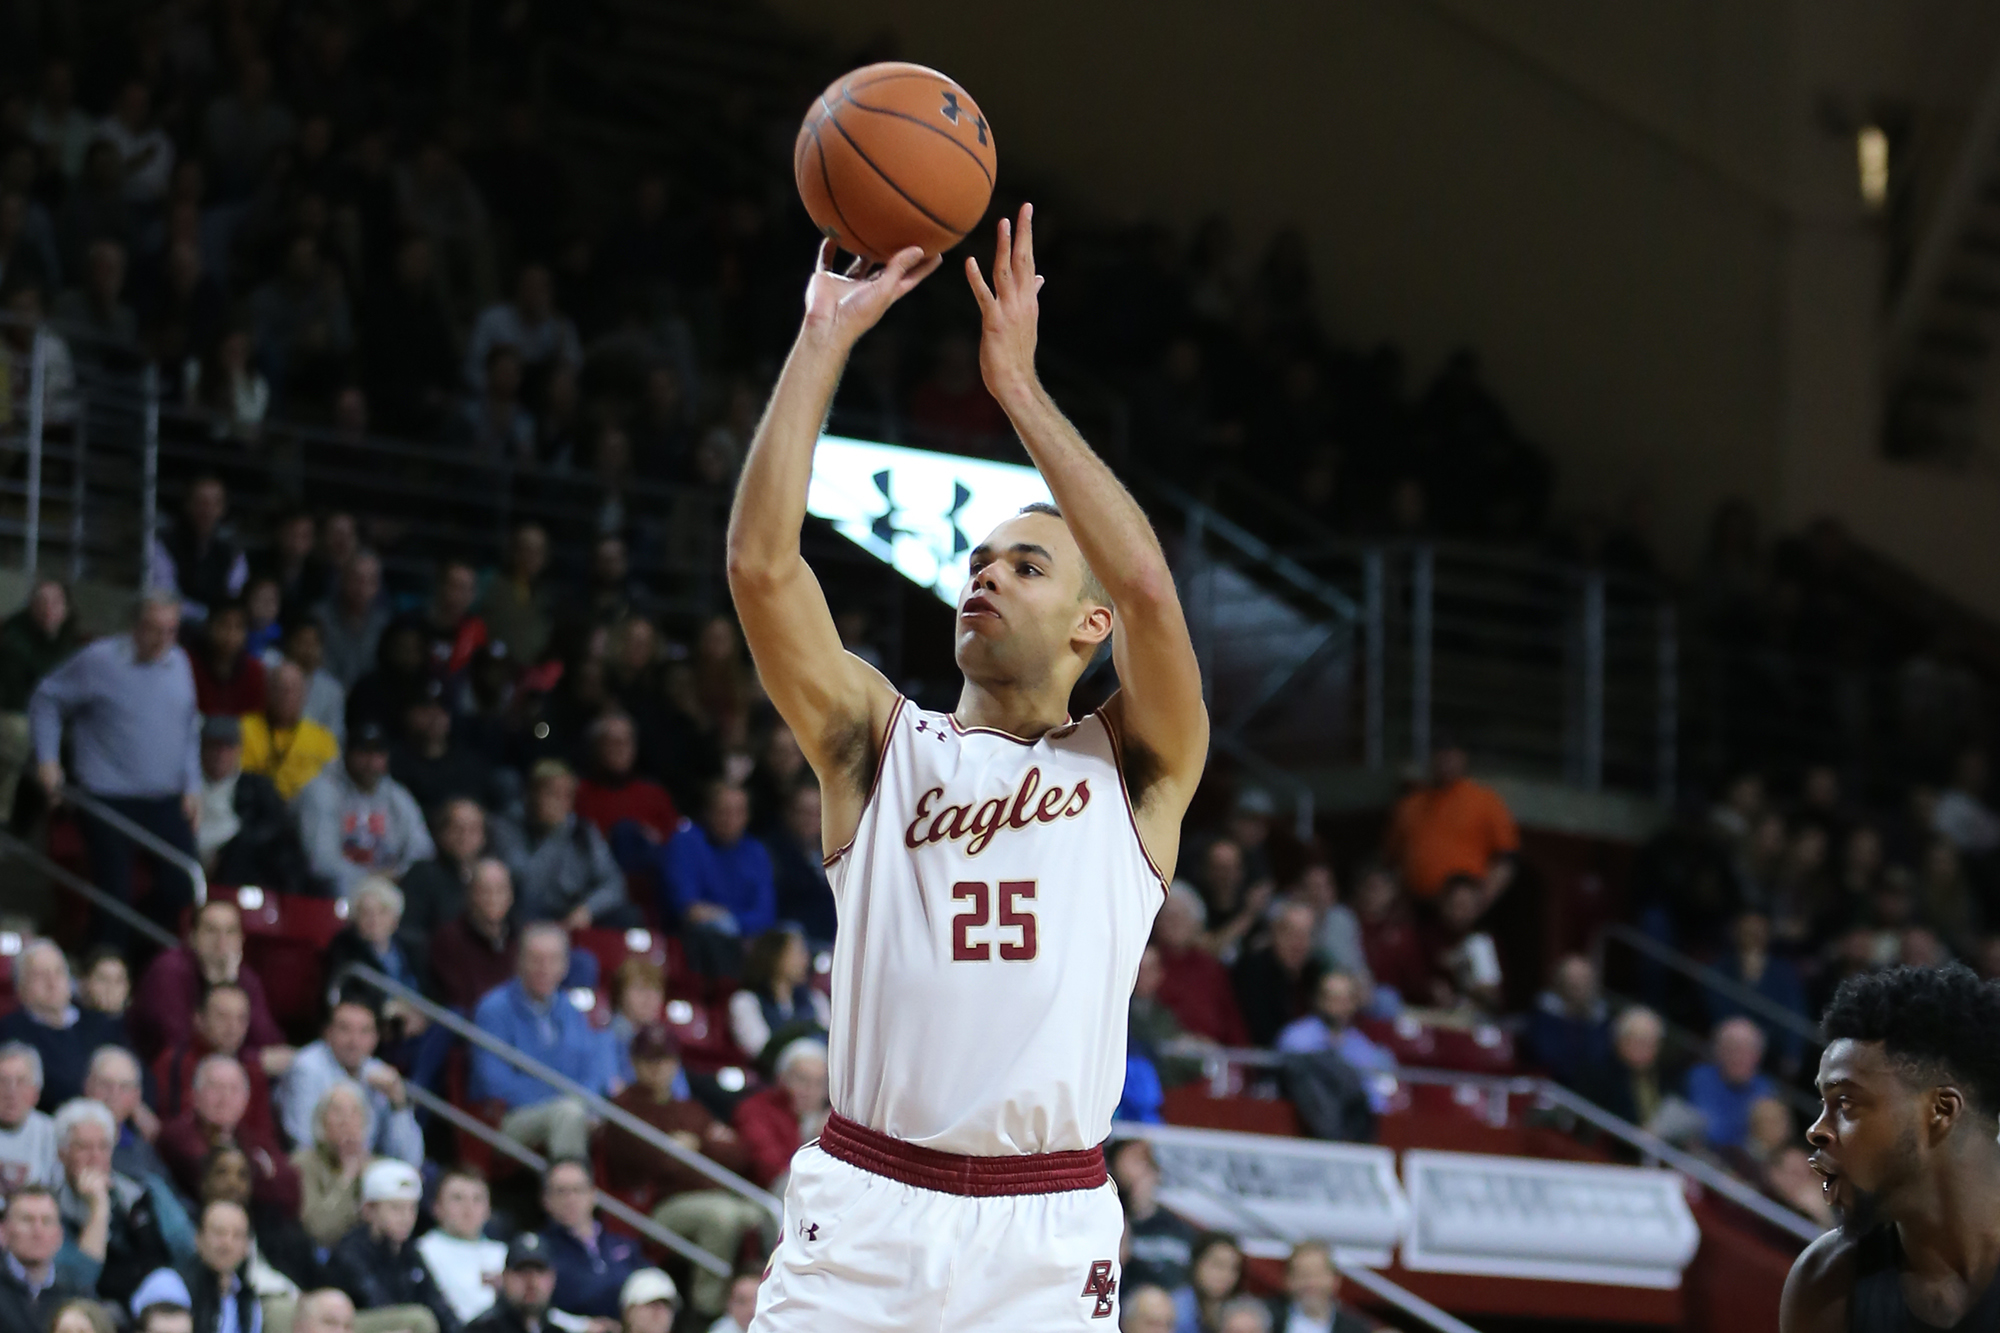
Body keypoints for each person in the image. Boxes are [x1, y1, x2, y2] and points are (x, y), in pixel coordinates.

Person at [1781, 964, 2000, 1332]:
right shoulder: (1826, 1281)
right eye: (1823, 1103)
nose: (1817, 1130)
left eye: (1846, 1103)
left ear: (1941, 1110)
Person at [30, 591, 202, 940]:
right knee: (114, 892)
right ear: (136, 626)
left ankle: (138, 955)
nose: (162, 640)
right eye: (154, 629)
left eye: (171, 630)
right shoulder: (99, 661)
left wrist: (193, 784)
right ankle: (106, 964)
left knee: (183, 884)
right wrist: (47, 759)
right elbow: (46, 699)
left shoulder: (180, 663)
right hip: (106, 796)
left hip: (164, 798)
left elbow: (188, 729)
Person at [603, 1027, 766, 1318]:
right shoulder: (624, 1107)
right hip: (654, 1208)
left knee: (764, 1212)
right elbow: (655, 1162)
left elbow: (738, 1154)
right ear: (634, 1063)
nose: (658, 1068)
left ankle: (763, 1299)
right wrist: (697, 1147)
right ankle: (709, 1309)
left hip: (705, 1195)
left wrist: (697, 1144)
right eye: (649, 1060)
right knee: (722, 1215)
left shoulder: (689, 1108)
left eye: (665, 1059)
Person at [468, 925, 618, 1161]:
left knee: (615, 1114)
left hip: (571, 1108)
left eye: (553, 960)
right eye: (536, 960)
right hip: (509, 1118)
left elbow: (591, 1070)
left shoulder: (570, 1009)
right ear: (518, 962)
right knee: (568, 1113)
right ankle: (569, 1192)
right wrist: (566, 1099)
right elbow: (494, 1082)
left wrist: (585, 1105)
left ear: (565, 965)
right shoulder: (493, 1009)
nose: (544, 969)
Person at [50, 1098, 194, 1307]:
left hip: (158, 1310)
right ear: (62, 1153)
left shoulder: (145, 1190)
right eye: (83, 1147)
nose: (95, 1156)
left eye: (103, 1146)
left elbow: (187, 1249)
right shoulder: (49, 1208)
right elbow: (77, 1280)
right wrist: (98, 1209)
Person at [130, 903, 288, 1062]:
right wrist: (253, 1060)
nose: (222, 941)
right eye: (211, 931)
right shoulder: (169, 970)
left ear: (242, 940)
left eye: (230, 932)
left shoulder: (245, 978)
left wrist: (231, 984)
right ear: (192, 937)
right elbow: (179, 1045)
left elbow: (269, 1042)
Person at [295, 722, 435, 898]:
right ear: (347, 753)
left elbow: (422, 851)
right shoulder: (321, 792)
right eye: (363, 752)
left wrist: (399, 875)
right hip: (339, 892)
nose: (371, 762)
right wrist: (372, 879)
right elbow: (321, 862)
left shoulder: (397, 796)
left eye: (378, 753)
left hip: (390, 890)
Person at [277, 999, 422, 1169]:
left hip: (362, 1171)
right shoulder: (306, 1068)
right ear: (328, 1032)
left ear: (375, 1038)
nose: (354, 1041)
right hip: (320, 1171)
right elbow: (303, 1143)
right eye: (345, 1029)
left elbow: (410, 1160)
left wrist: (398, 1104)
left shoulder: (380, 1074)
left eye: (364, 1031)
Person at [488, 761, 632, 929]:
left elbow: (614, 883)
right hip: (523, 918)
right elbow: (529, 888)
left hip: (570, 916)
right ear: (531, 794)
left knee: (626, 915)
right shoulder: (508, 825)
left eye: (567, 795)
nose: (560, 802)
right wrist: (556, 834)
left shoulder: (582, 831)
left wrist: (587, 910)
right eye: (552, 793)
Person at [1381, 737, 1519, 905]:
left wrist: (1479, 900)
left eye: (1452, 755)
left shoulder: (1485, 800)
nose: (1446, 761)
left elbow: (1507, 859)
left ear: (1464, 758)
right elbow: (1391, 860)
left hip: (1462, 908)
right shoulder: (1409, 804)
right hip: (1416, 905)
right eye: (1440, 754)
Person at [324, 1160, 457, 1333]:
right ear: (368, 1210)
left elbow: (437, 1303)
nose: (406, 1217)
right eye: (396, 1208)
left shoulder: (409, 1251)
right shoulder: (351, 1252)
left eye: (412, 1208)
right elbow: (379, 1305)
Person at [156, 1057, 300, 1216]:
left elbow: (290, 1188)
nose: (224, 1098)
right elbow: (210, 1180)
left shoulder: (249, 1136)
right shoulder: (177, 1135)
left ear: (246, 1099)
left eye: (234, 1089)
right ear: (194, 1095)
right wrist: (260, 1173)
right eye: (215, 1088)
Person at [0, 940, 126, 1109]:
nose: (52, 983)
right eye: (40, 975)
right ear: (20, 987)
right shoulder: (10, 1031)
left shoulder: (99, 1023)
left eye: (58, 973)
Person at [659, 782, 774, 962]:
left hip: (749, 938)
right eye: (724, 811)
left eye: (738, 812)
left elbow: (765, 913)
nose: (730, 819)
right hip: (698, 940)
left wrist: (731, 922)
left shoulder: (756, 851)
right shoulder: (687, 842)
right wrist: (728, 924)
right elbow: (687, 907)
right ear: (708, 812)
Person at [196, 716, 311, 895]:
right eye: (213, 745)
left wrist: (227, 851)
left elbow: (275, 828)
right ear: (201, 748)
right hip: (194, 862)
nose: (220, 753)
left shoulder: (256, 787)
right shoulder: (188, 789)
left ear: (238, 750)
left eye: (227, 746)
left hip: (237, 871)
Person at [151, 984, 277, 1138]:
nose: (233, 1027)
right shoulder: (174, 1063)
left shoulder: (252, 1070)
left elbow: (263, 1136)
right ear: (199, 1019)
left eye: (241, 1018)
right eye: (222, 1017)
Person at [0, 577, 79, 819]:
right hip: (17, 714)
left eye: (56, 602)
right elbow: (19, 696)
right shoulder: (13, 635)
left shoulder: (70, 639)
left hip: (58, 720)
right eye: (42, 602)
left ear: (66, 608)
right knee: (19, 732)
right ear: (30, 606)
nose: (48, 609)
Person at [1273, 972, 1397, 1112]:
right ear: (1319, 1000)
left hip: (1349, 1125)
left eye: (1347, 999)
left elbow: (1374, 1099)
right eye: (1334, 998)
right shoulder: (1296, 1038)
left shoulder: (1362, 1047)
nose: (1340, 1006)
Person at [534, 1159, 639, 1320]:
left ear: (593, 1195)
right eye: (561, 1191)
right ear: (546, 1200)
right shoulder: (538, 1250)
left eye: (578, 1190)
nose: (570, 1199)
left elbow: (653, 1285)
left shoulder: (624, 1244)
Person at [1152, 887, 1249, 1046]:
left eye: (1181, 917)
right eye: (1168, 917)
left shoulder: (1212, 969)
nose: (1174, 924)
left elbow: (1232, 1023)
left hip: (1212, 1057)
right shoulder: (1148, 964)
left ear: (1196, 924)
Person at [398, 799, 489, 964]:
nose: (465, 836)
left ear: (483, 836)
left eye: (473, 829)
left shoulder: (492, 876)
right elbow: (410, 934)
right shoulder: (422, 874)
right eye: (457, 829)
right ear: (441, 833)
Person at [731, 1040, 828, 1192]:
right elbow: (771, 1170)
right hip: (767, 1194)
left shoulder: (829, 1119)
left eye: (819, 1083)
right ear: (782, 1078)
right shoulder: (756, 1110)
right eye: (802, 1080)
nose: (810, 1091)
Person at [413, 1170, 505, 1326]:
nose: (468, 1208)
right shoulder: (422, 1251)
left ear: (488, 1209)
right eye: (457, 1198)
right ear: (436, 1207)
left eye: (477, 1199)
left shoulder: (503, 1253)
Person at [239, 662, 341, 802]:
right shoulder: (244, 728)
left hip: (302, 808)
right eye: (280, 688)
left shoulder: (322, 738)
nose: (286, 696)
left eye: (293, 689)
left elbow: (331, 784)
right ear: (267, 691)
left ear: (304, 695)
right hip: (257, 805)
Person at [426, 861, 519, 1011]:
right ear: (470, 894)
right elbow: (462, 1000)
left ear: (511, 896)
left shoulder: (520, 938)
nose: (493, 898)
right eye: (485, 891)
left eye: (500, 890)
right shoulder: (450, 938)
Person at [726, 928, 828, 1063]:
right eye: (797, 953)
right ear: (774, 956)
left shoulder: (816, 999)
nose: (805, 960)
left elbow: (829, 1041)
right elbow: (759, 1050)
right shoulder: (746, 1001)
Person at [292, 1085, 374, 1251]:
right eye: (337, 1112)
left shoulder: (375, 1168)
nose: (346, 1120)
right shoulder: (304, 1163)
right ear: (321, 1121)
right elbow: (319, 1229)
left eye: (354, 1112)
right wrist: (346, 1178)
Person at [1109, 1139, 1197, 1293]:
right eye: (1135, 1161)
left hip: (1172, 1296)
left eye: (1145, 1162)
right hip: (1128, 1295)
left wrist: (1144, 1204)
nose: (1140, 1171)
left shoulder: (1175, 1225)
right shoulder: (1111, 1215)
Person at [1233, 900, 1319, 1047]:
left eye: (1306, 935)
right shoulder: (1253, 971)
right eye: (1291, 933)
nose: (1299, 943)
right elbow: (1262, 1034)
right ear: (1274, 934)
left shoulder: (1315, 972)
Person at [1684, 1017, 1777, 1152]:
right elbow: (1705, 1129)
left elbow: (1770, 1140)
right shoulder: (1700, 1077)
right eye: (1732, 1049)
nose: (1739, 1057)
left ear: (1758, 1056)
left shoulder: (1765, 1088)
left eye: (1747, 1051)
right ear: (1718, 1051)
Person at [0, 1186, 87, 1331]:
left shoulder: (74, 1293)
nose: (38, 1231)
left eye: (46, 1221)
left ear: (60, 1235)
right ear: (3, 1231)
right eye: (27, 1220)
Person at [761, 783, 837, 946]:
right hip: (791, 938)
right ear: (788, 813)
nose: (811, 820)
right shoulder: (772, 851)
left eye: (816, 813)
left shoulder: (832, 849)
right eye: (803, 812)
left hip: (831, 939)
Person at [82, 1049, 169, 1186]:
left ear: (137, 1096)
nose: (113, 1095)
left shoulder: (141, 1144)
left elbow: (169, 1194)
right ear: (87, 1086)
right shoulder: (70, 1137)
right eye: (105, 1085)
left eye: (124, 1087)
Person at [1526, 954, 1614, 1088]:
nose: (1578, 985)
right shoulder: (1543, 1017)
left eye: (1584, 979)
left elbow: (1602, 1059)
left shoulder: (1600, 1019)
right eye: (1573, 980)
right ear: (1560, 982)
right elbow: (1546, 1057)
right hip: (1553, 1088)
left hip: (1593, 1092)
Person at [1266, 1241, 1369, 1333]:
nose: (1311, 1283)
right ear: (1288, 1279)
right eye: (1303, 1275)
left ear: (1335, 1279)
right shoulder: (1265, 1319)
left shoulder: (1355, 1328)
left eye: (1317, 1275)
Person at [191, 603, 268, 720]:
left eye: (238, 627)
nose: (230, 634)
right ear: (210, 626)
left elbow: (255, 721)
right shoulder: (190, 665)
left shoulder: (255, 670)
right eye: (224, 625)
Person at [463, 1235, 555, 1333]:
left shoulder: (561, 1327)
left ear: (552, 1277)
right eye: (522, 1272)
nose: (531, 1281)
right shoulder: (480, 1329)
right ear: (505, 1277)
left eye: (539, 1272)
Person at [0, 1044, 59, 1193]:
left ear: (36, 1092)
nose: (11, 1092)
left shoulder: (51, 1133)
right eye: (3, 1081)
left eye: (21, 1082)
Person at [1175, 1233, 1245, 1333]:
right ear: (1197, 1263)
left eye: (1234, 1268)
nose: (1226, 1275)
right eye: (1218, 1264)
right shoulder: (1175, 1311)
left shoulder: (1235, 1312)